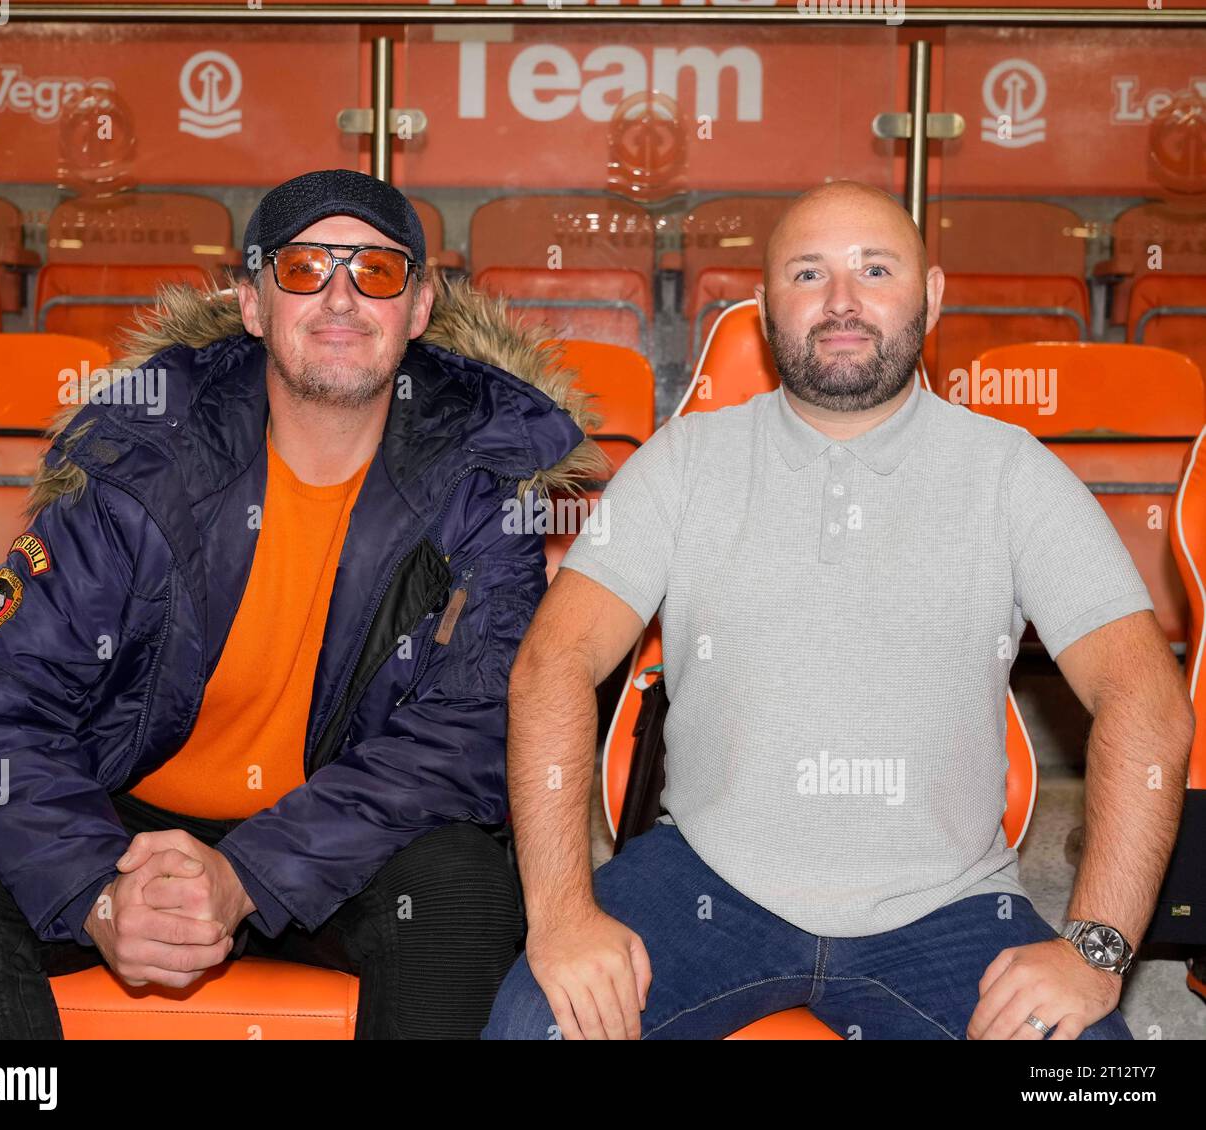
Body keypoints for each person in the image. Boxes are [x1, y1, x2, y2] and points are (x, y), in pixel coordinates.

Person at [484, 181, 1194, 1040]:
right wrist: (560, 915)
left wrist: (1095, 949)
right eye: (809, 273)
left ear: (930, 296)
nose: (844, 301)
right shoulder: (688, 461)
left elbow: (1146, 701)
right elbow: (551, 664)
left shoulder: (1010, 473)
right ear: (762, 307)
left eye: (877, 270)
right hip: (707, 882)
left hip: (948, 907)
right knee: (537, 1022)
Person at [0, 169, 602, 1040]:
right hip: (121, 811)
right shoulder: (145, 458)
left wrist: (247, 873)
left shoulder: (482, 481)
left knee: (461, 896)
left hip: (344, 829)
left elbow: (467, 740)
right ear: (252, 301)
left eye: (376, 273)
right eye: (306, 267)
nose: (342, 297)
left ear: (418, 308)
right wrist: (96, 889)